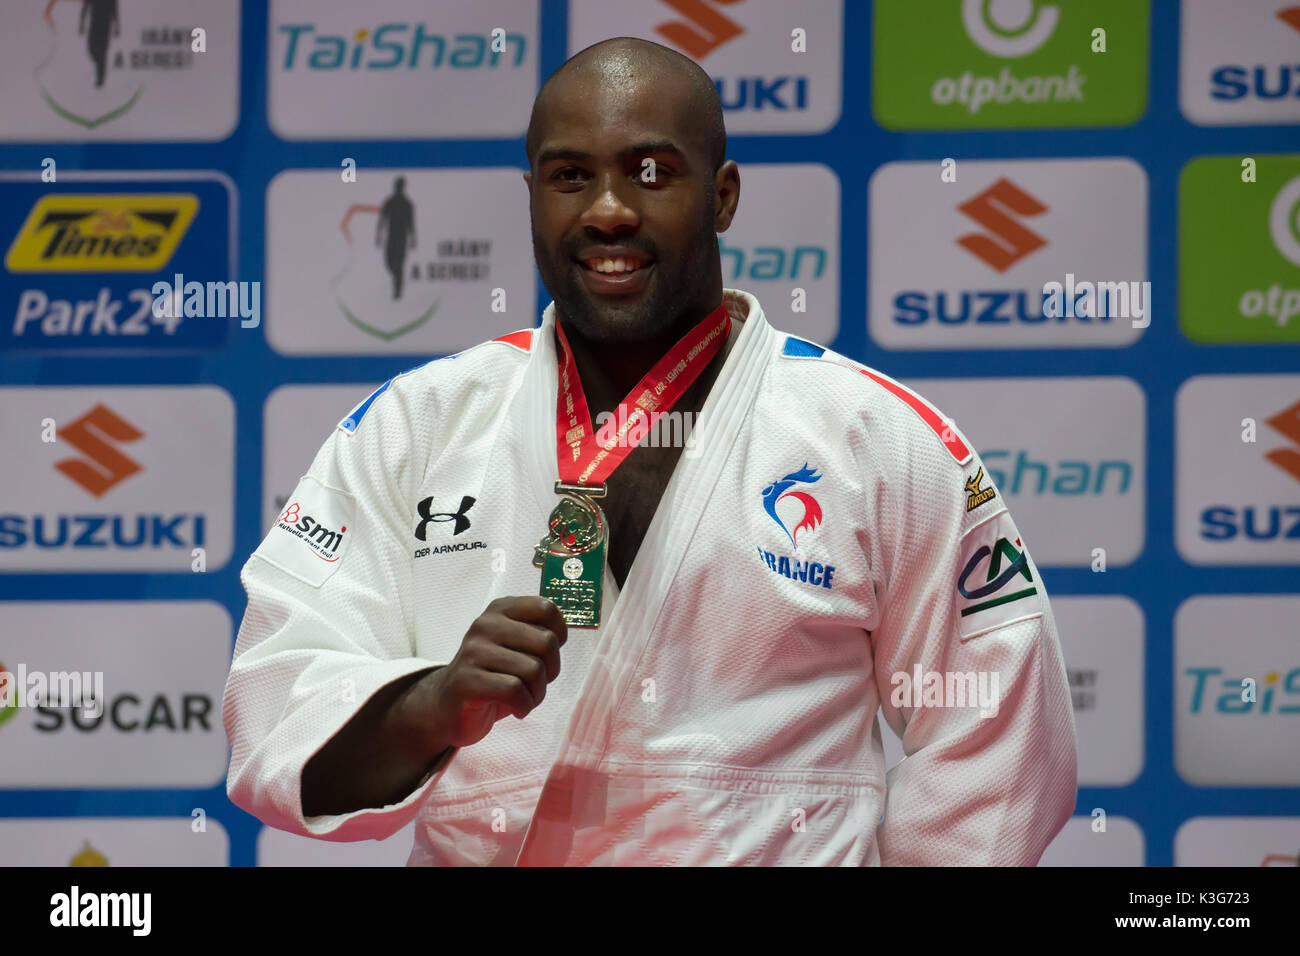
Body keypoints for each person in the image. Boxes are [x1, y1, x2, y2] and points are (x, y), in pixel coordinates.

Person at [223, 37, 1077, 866]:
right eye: (568, 176)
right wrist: (431, 705)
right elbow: (275, 698)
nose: (607, 209)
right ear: (531, 196)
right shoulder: (416, 425)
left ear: (723, 195)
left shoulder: (873, 435)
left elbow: (1001, 729)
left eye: (650, 171)